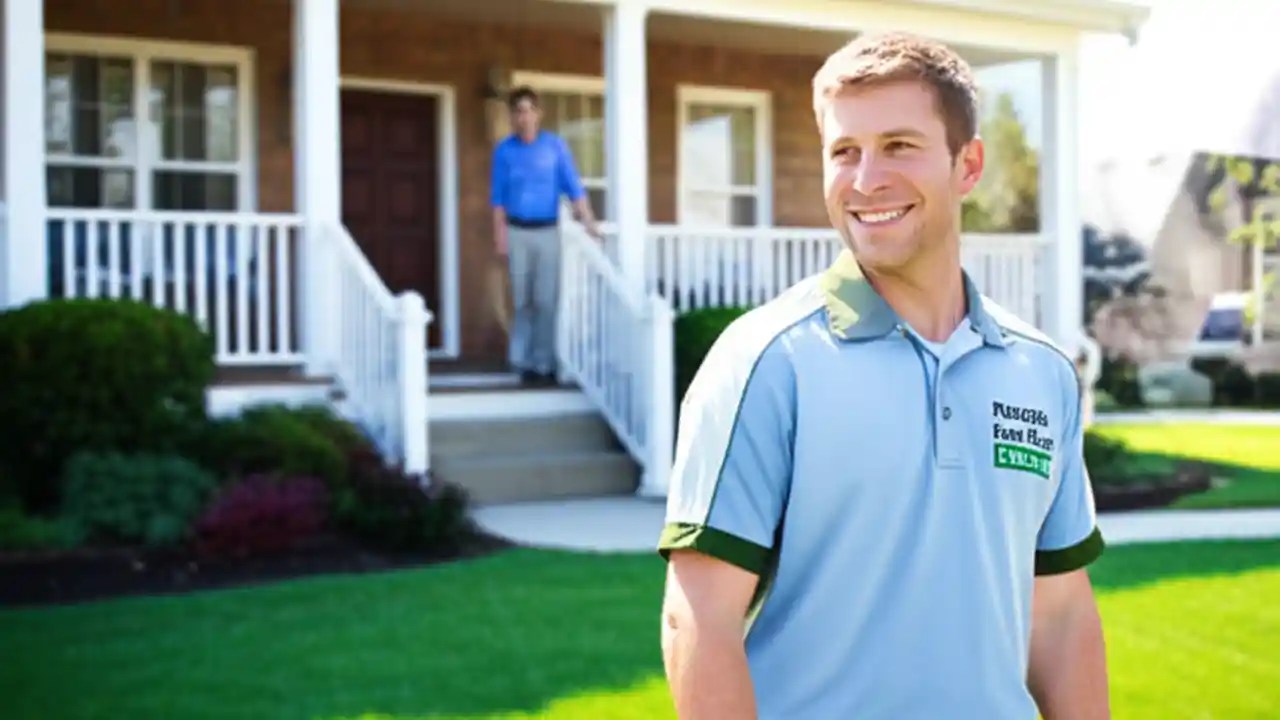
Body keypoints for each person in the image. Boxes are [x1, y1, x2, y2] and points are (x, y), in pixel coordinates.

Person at [657, 32, 1108, 719]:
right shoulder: (766, 361)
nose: (866, 180)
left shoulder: (1040, 371)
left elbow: (1062, 612)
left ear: (969, 165)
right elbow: (698, 619)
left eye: (899, 145)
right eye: (845, 152)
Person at [490, 86, 601, 386]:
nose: (523, 117)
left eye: (528, 110)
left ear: (538, 114)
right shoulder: (504, 151)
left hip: (548, 231)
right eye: (518, 111)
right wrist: (499, 236)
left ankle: (544, 361)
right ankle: (521, 360)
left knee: (546, 299)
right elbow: (498, 199)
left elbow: (573, 188)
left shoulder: (555, 147)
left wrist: (589, 222)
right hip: (516, 232)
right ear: (512, 116)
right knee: (522, 298)